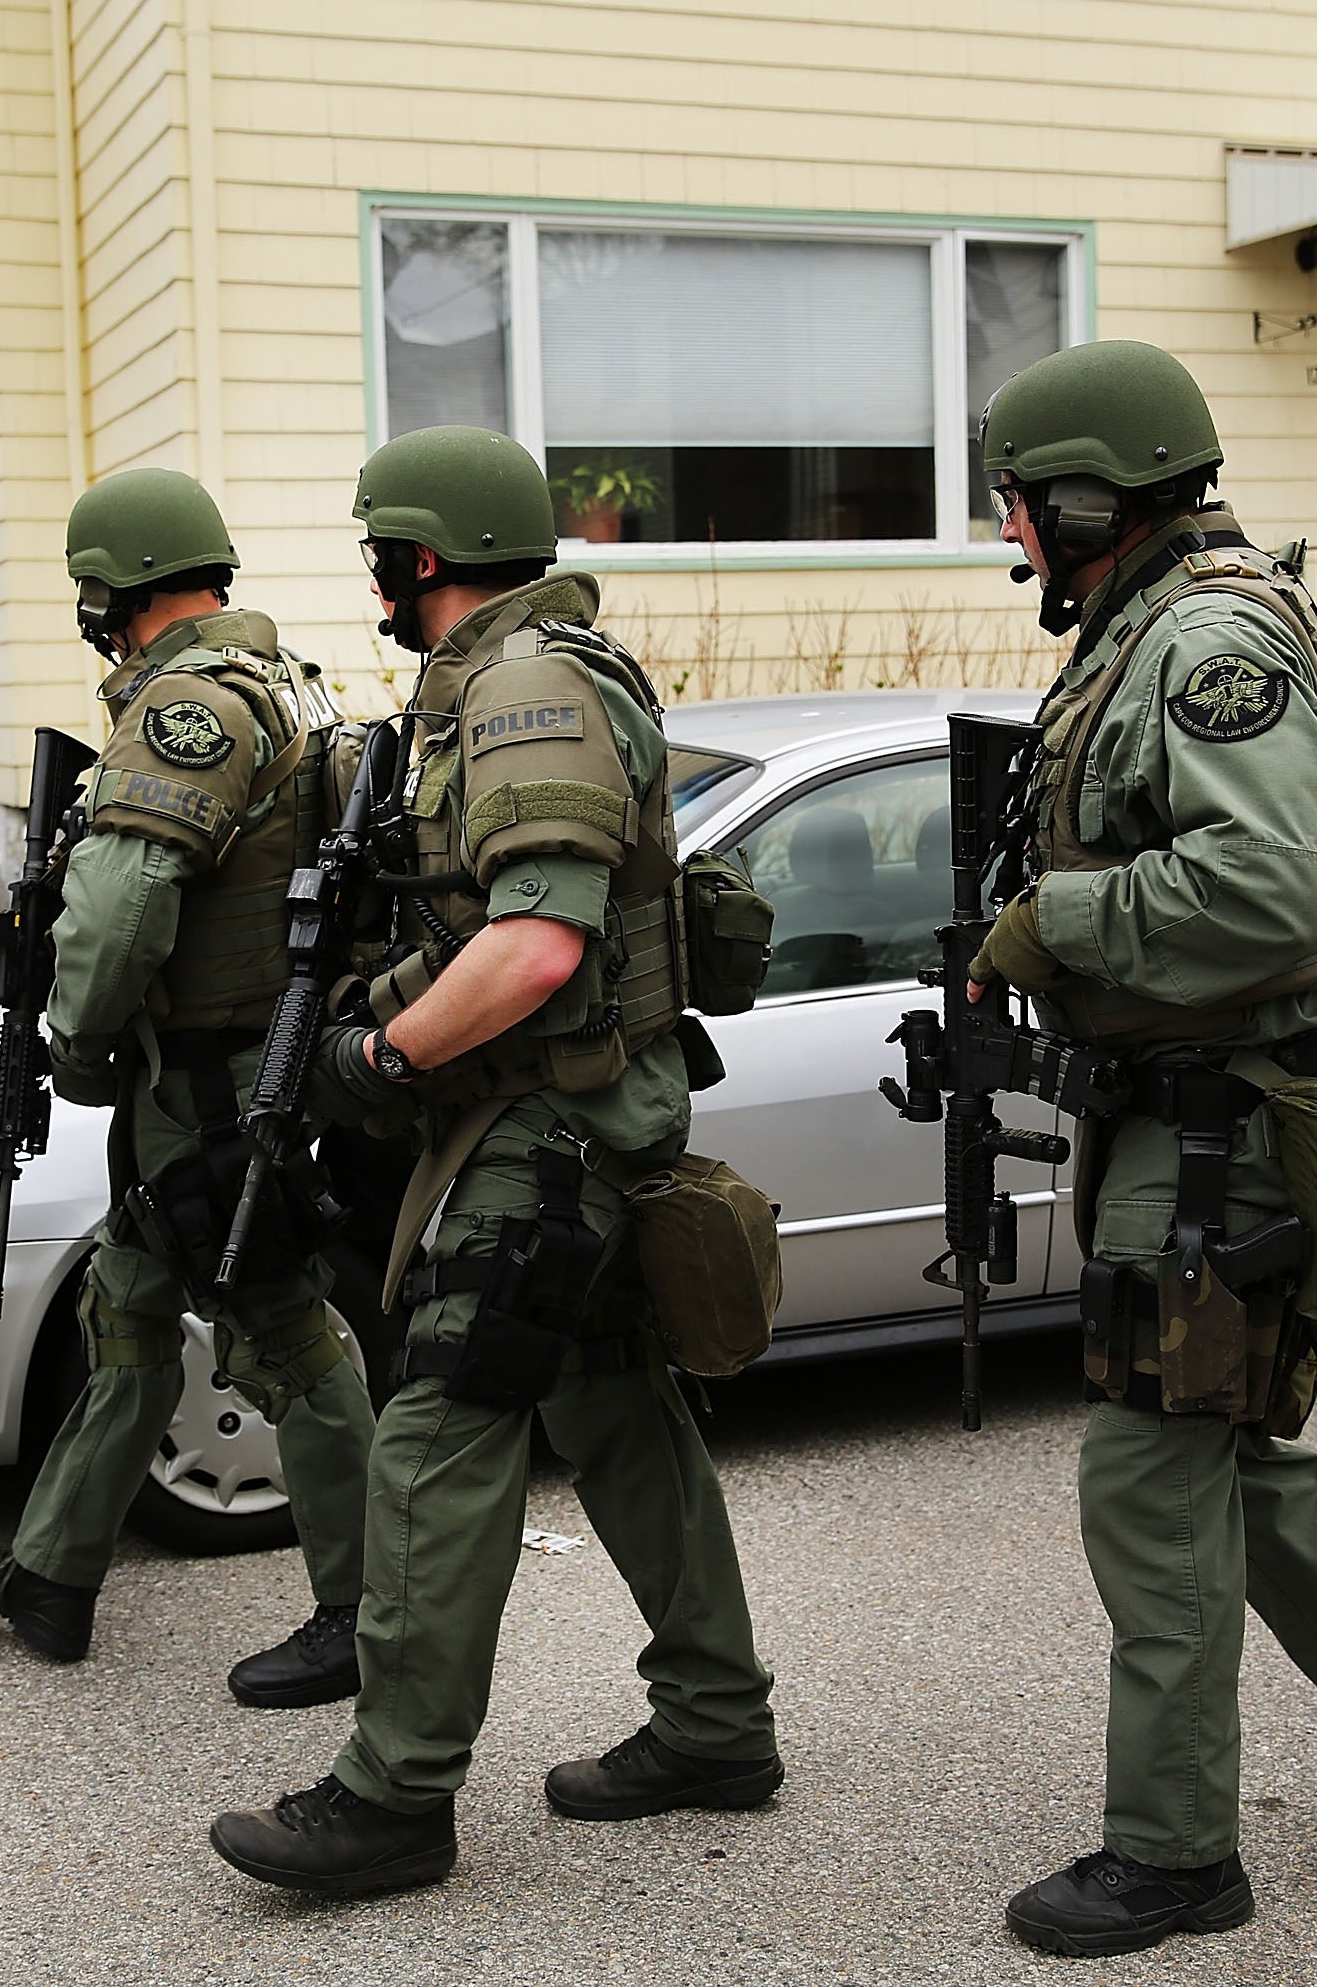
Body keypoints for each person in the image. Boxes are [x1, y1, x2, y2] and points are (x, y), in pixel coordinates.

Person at [965, 341, 1317, 1958]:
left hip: (1225, 1139)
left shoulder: (1202, 640)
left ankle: (1177, 1855)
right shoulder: (1157, 625)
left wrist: (1053, 921)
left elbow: (1269, 890)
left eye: (1020, 507)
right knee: (1236, 1456)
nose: (1011, 539)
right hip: (1195, 1121)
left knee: (1150, 1481)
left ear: (1084, 501)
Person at [208, 425, 780, 1896]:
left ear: (419, 557)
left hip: (550, 1118)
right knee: (617, 1413)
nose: (375, 587)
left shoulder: (526, 686)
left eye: (378, 558)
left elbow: (535, 943)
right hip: (566, 1107)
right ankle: (716, 1724)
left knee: (435, 1443)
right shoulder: (508, 683)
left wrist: (383, 1056)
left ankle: (394, 1797)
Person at [0, 467, 379, 1709]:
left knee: (287, 1338)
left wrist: (71, 1044)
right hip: (215, 1070)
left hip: (216, 1080)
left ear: (104, 591)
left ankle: (362, 1609)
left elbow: (123, 911)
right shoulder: (281, 680)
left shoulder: (192, 704)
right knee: (125, 1308)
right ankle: (52, 1573)